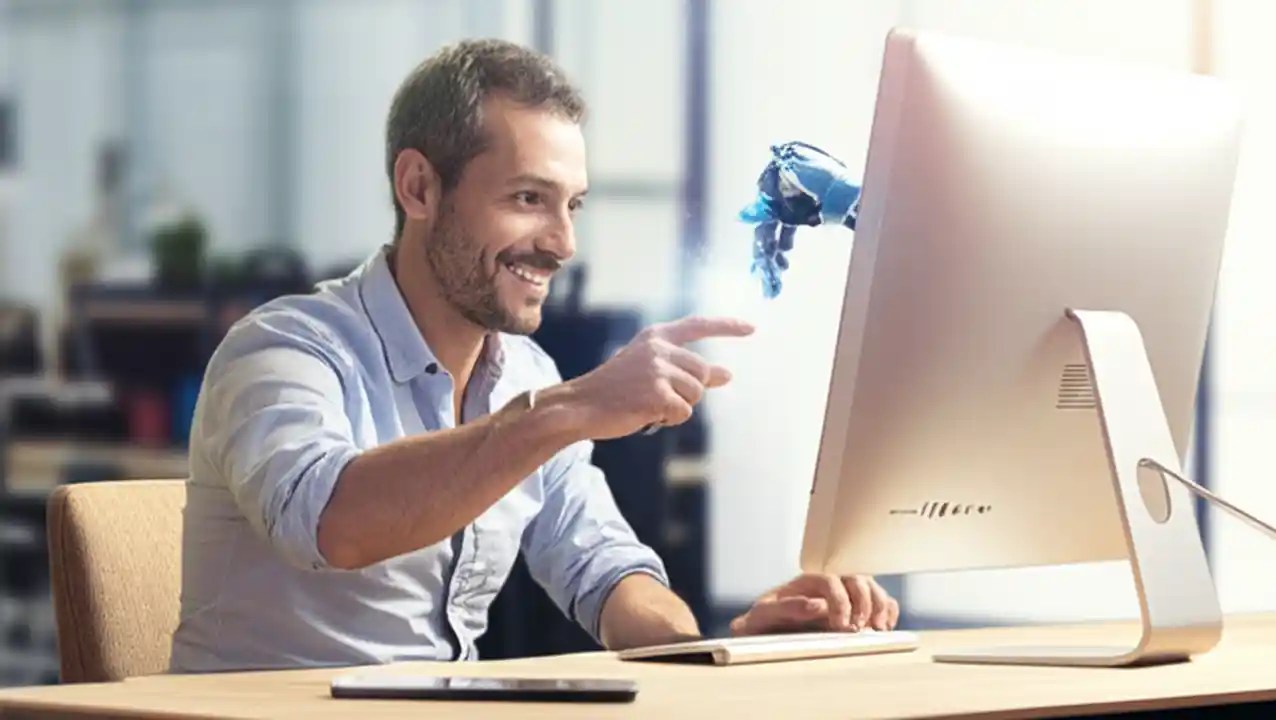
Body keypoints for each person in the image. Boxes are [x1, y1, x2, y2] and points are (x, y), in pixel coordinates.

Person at [169, 38, 899, 673]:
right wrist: (571, 409)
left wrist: (720, 647)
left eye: (572, 205)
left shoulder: (525, 379)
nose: (563, 243)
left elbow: (607, 576)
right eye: (528, 198)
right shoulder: (281, 349)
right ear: (419, 187)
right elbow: (329, 523)